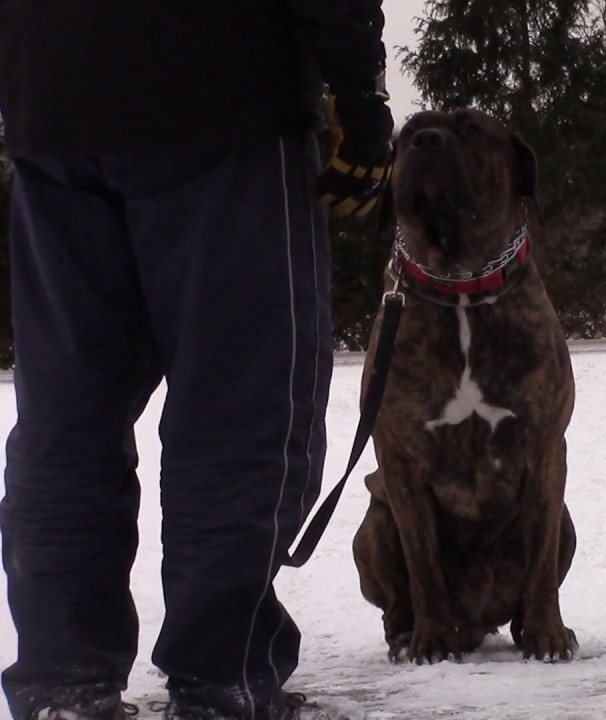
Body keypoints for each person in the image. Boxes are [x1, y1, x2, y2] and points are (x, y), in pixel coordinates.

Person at [0, 0, 393, 718]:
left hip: (51, 104)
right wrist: (359, 93)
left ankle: (64, 681)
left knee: (67, 417)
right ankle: (222, 680)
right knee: (240, 411)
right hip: (223, 99)